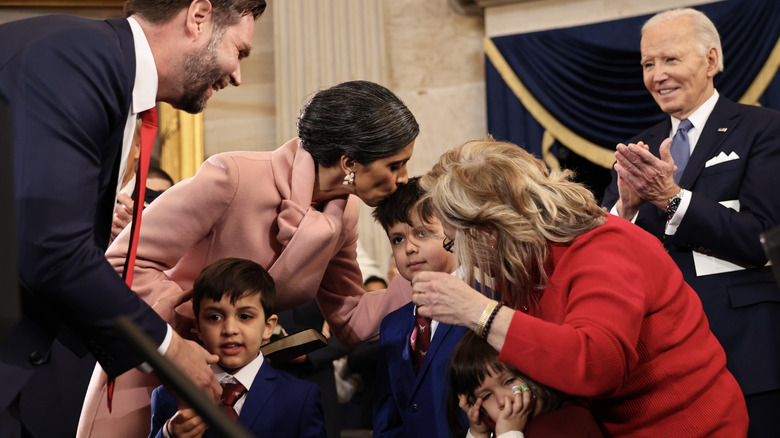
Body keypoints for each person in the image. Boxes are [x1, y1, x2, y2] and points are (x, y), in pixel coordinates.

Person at [79, 80, 419, 437]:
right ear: (349, 163)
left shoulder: (343, 215)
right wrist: (187, 329)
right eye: (396, 164)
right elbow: (123, 262)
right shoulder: (233, 176)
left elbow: (350, 318)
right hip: (154, 362)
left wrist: (425, 275)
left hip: (240, 385)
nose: (403, 178)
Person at [0, 1, 266, 437]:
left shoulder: (101, 65)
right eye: (240, 51)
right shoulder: (78, 59)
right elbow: (52, 249)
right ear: (198, 17)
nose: (238, 75)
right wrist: (168, 350)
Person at [411, 138, 748, 437]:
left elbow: (596, 365)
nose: (463, 259)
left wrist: (479, 312)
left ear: (490, 229)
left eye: (456, 242)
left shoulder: (603, 246)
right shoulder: (527, 264)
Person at [600, 8, 780, 437]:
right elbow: (604, 253)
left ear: (711, 60)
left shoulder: (763, 129)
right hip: (658, 365)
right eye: (648, 64)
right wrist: (624, 211)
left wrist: (671, 198)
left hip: (742, 349)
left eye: (671, 60)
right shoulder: (638, 150)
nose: (657, 75)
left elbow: (761, 239)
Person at [149, 257, 326, 438]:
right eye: (215, 317)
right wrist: (168, 434)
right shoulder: (167, 395)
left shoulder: (299, 397)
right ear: (199, 327)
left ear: (268, 327)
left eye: (245, 316)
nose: (230, 330)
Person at [371, 177, 468, 437]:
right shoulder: (392, 325)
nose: (410, 248)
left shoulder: (483, 306)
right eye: (398, 239)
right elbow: (388, 409)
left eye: (422, 233)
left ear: (452, 231)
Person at [448, 331, 604, 438]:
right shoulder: (499, 428)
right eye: (487, 395)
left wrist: (509, 434)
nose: (503, 401)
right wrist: (478, 433)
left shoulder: (568, 425)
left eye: (509, 381)